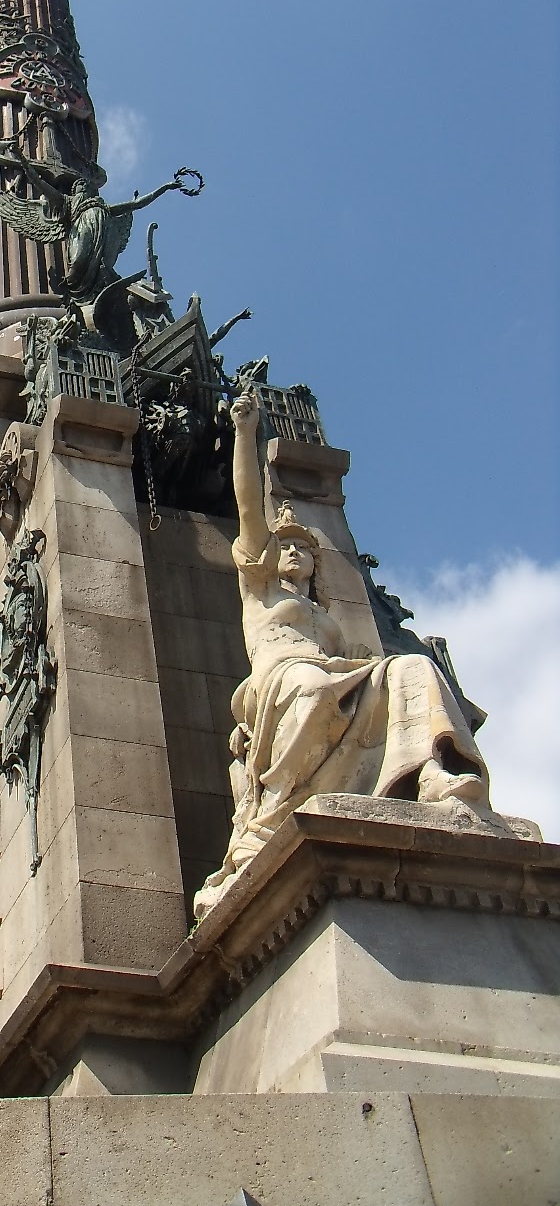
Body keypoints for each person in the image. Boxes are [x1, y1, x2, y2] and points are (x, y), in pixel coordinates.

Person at [193, 391, 491, 920]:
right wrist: (244, 432)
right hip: (282, 680)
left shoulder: (327, 619)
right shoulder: (261, 591)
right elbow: (245, 506)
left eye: (304, 548)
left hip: (332, 675)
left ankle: (429, 776)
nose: (294, 553)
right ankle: (280, 802)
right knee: (309, 689)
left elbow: (357, 660)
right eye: (285, 547)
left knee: (410, 668)